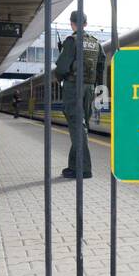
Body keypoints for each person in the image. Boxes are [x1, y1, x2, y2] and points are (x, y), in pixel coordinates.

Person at [54, 10, 105, 179]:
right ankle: (73, 166)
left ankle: (84, 169)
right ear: (86, 23)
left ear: (72, 23)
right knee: (80, 127)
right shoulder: (96, 43)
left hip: (73, 87)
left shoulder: (72, 40)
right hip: (89, 89)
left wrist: (60, 78)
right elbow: (101, 65)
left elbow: (61, 67)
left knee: (77, 126)